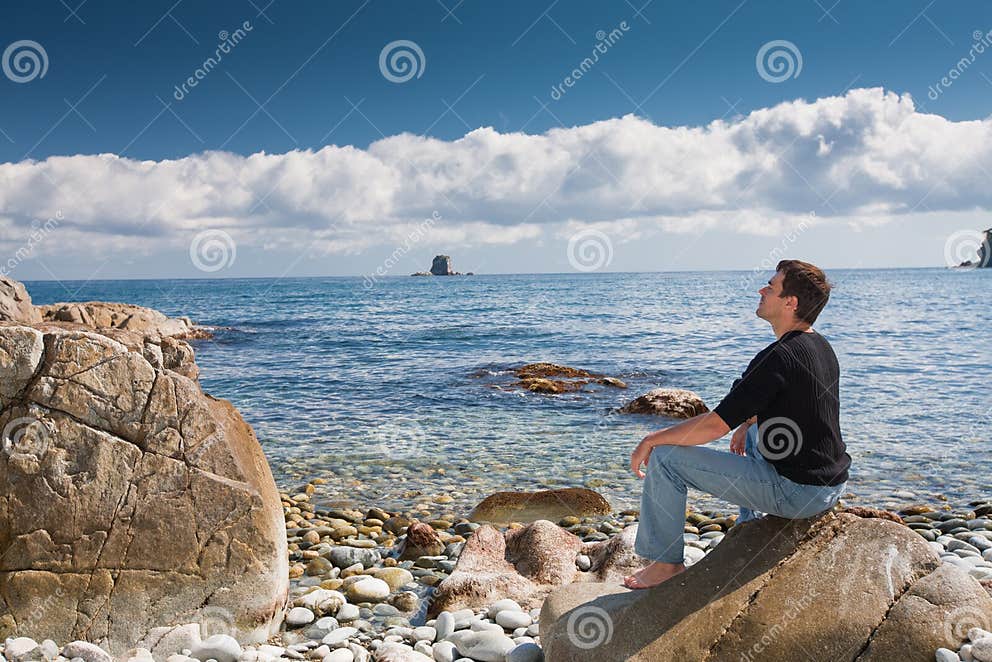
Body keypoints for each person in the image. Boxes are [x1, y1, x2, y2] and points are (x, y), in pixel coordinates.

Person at [623, 259, 851, 590]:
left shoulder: (777, 357)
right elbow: (797, 403)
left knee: (666, 459)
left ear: (791, 302)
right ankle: (749, 523)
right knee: (756, 432)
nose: (762, 290)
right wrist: (748, 423)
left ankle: (665, 564)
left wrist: (652, 439)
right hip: (829, 486)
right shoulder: (819, 346)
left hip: (798, 494)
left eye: (771, 286)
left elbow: (714, 426)